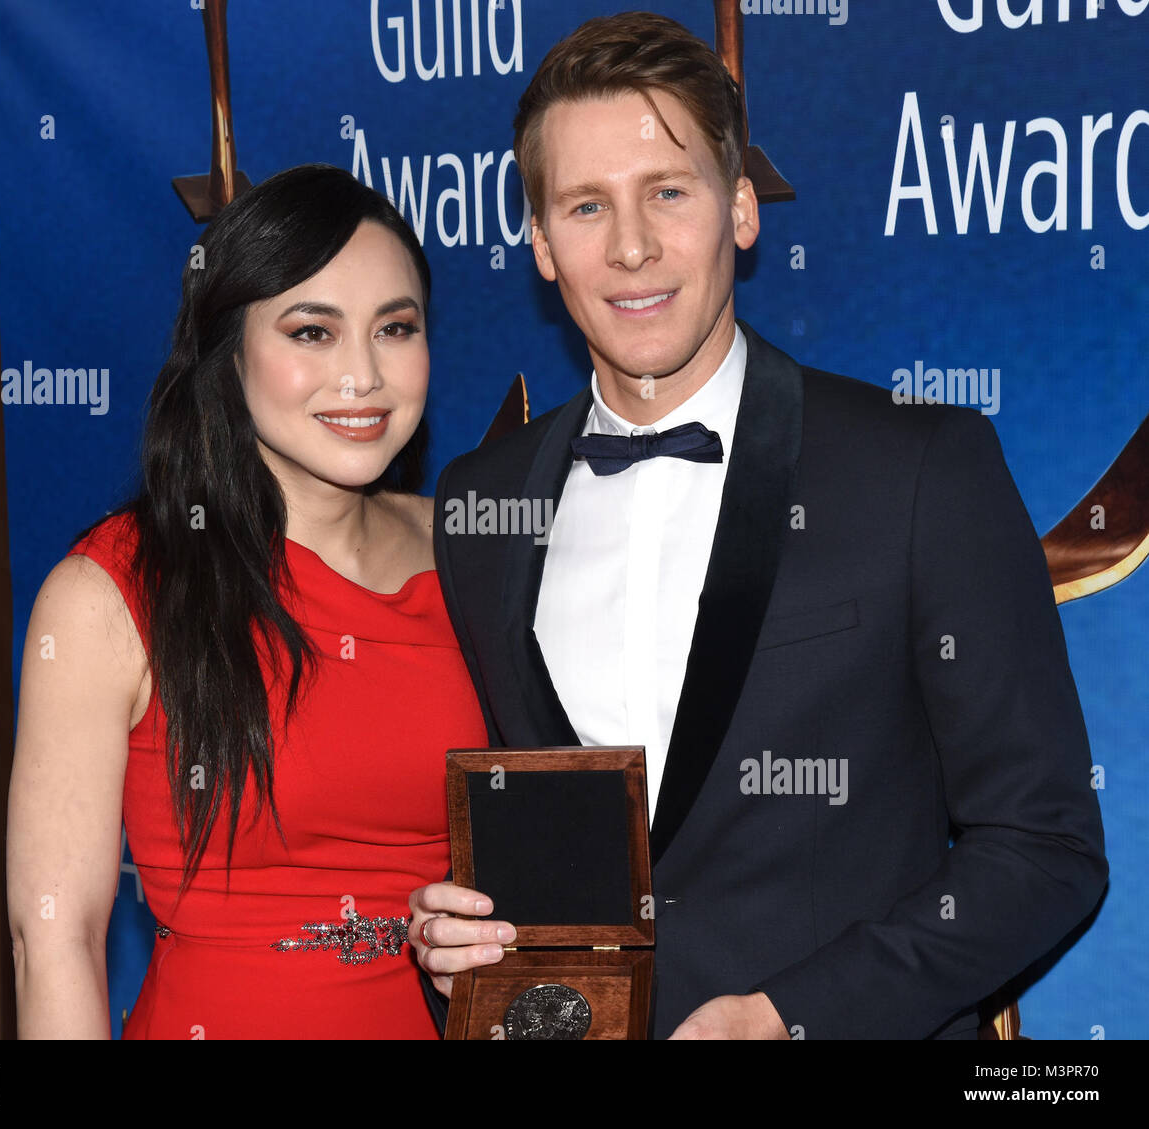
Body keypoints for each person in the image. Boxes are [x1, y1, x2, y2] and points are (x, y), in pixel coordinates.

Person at [408, 12, 1108, 1039]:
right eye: (587, 205)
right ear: (541, 246)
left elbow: (1043, 848)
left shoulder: (917, 467)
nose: (633, 245)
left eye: (668, 192)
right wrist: (460, 937)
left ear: (740, 209)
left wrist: (791, 1017)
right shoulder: (480, 506)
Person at [6, 164, 488, 1039]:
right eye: (312, 331)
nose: (362, 375)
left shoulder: (482, 551)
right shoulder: (108, 592)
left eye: (396, 328)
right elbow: (56, 937)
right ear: (229, 352)